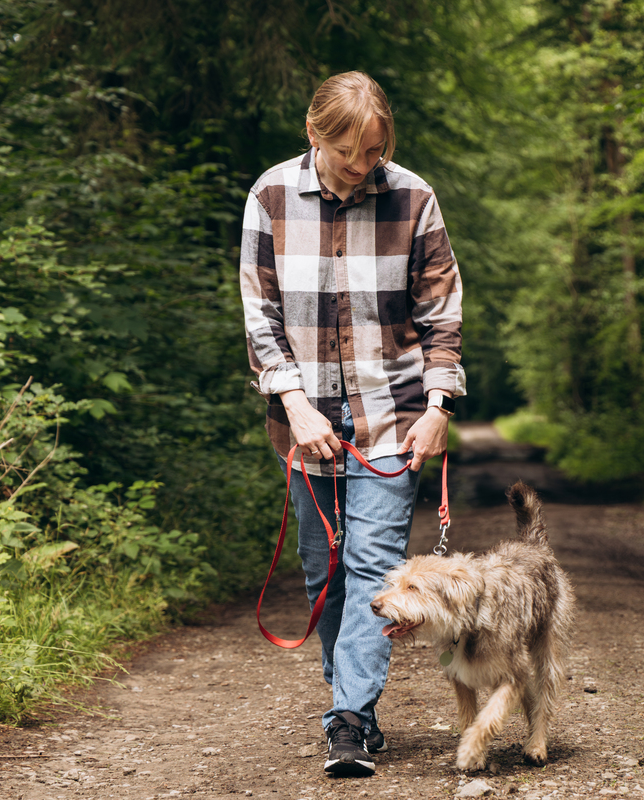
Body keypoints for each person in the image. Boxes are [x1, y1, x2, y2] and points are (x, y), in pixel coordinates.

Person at [239, 71, 465, 778]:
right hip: (304, 424)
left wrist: (437, 409)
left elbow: (442, 314)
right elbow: (260, 316)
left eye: (375, 152)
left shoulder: (414, 198)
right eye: (349, 154)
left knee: (373, 569)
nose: (364, 167)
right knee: (326, 578)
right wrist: (294, 403)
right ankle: (348, 696)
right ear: (315, 136)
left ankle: (350, 719)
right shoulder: (270, 197)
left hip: (392, 419)